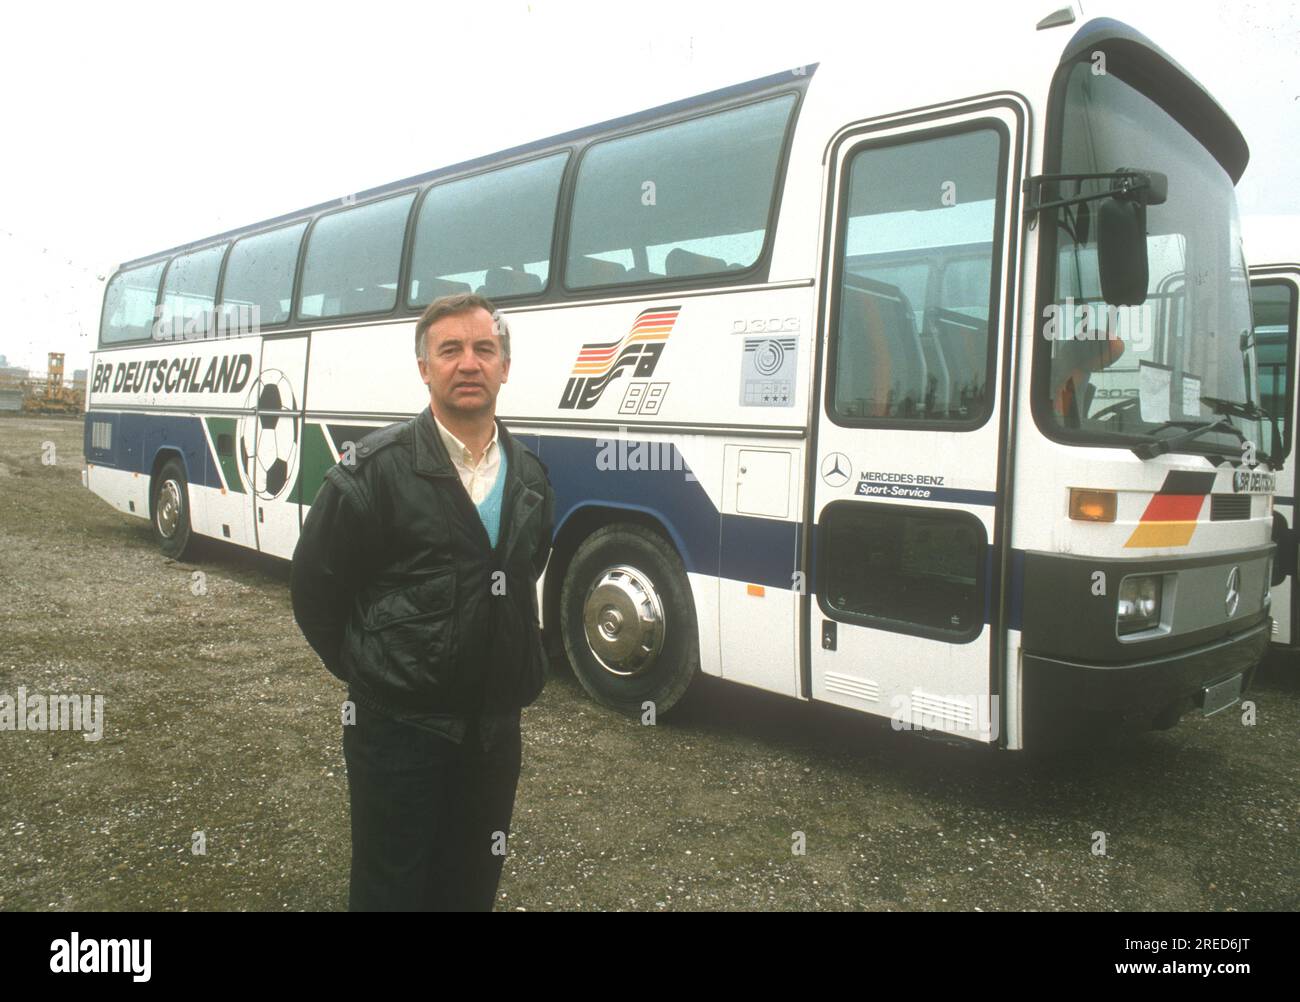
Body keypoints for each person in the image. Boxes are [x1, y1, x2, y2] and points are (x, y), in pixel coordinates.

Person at [290, 292, 555, 911]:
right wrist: (377, 669)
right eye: (451, 350)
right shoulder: (372, 471)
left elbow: (522, 574)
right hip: (397, 733)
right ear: (424, 368)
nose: (469, 363)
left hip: (493, 735)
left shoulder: (530, 478)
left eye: (484, 349)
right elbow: (315, 589)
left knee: (471, 888)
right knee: (392, 889)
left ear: (505, 367)